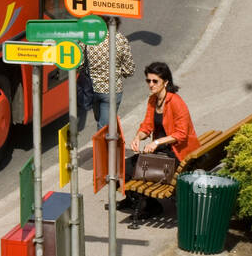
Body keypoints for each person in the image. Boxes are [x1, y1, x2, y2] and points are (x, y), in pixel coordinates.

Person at [125, 62, 200, 216]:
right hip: (161, 153)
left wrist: (157, 142)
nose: (150, 85)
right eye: (148, 81)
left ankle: (149, 205)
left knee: (138, 170)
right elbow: (146, 127)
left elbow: (181, 134)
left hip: (177, 155)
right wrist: (137, 138)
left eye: (155, 81)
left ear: (166, 82)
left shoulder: (176, 102)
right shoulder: (153, 100)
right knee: (124, 167)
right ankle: (141, 201)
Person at [83, 30, 135, 130]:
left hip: (92, 88)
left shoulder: (88, 37)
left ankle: (109, 142)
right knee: (104, 128)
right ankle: (108, 144)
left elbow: (79, 62)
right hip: (112, 90)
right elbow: (129, 70)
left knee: (100, 121)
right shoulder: (119, 39)